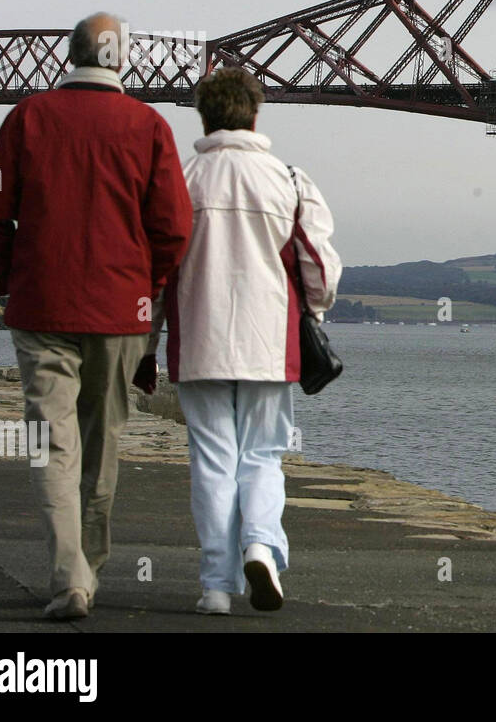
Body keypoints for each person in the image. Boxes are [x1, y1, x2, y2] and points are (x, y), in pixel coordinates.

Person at [0, 12, 192, 620]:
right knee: (102, 442)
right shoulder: (149, 125)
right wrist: (151, 286)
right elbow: (174, 226)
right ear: (121, 60)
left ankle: (70, 575)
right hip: (122, 310)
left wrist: (12, 273)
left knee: (52, 441)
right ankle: (87, 570)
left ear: (69, 55)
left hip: (41, 305)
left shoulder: (26, 118)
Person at [139, 66, 340, 614]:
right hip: (268, 343)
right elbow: (318, 267)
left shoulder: (180, 181)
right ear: (256, 112)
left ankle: (215, 587)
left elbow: (155, 273)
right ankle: (261, 546)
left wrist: (147, 347)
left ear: (204, 115)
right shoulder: (289, 180)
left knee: (212, 459)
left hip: (198, 339)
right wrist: (314, 312)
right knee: (263, 456)